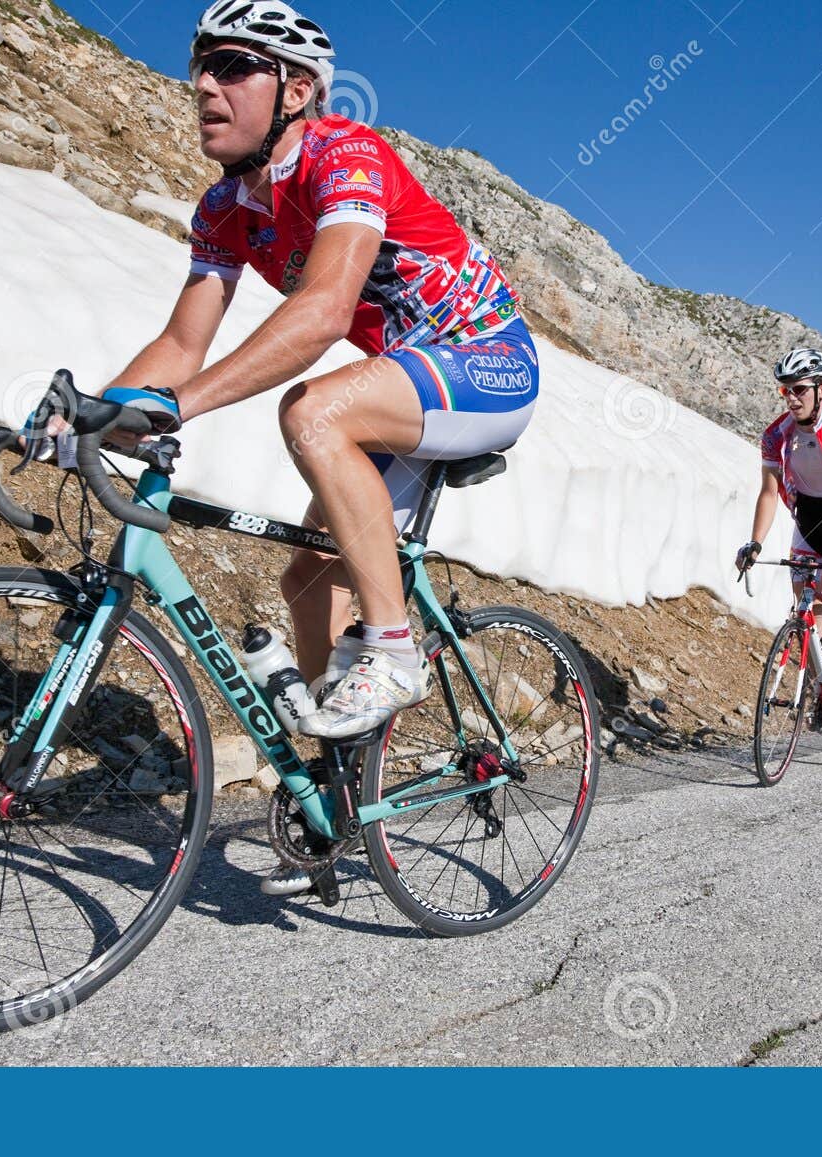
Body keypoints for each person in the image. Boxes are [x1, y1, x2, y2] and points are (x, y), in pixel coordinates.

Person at [96, 2, 537, 750]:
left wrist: (179, 407)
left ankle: (395, 651)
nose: (205, 85)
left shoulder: (345, 153)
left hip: (486, 358)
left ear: (296, 92)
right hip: (403, 378)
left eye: (232, 67)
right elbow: (181, 341)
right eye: (202, 66)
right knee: (307, 581)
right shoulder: (223, 211)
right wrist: (87, 415)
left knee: (314, 410)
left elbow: (327, 308)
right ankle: (333, 795)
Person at [734, 347, 822, 704]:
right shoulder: (775, 435)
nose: (792, 398)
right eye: (786, 390)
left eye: (800, 389)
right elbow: (769, 492)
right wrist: (755, 543)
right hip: (807, 517)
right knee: (804, 598)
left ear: (821, 389)